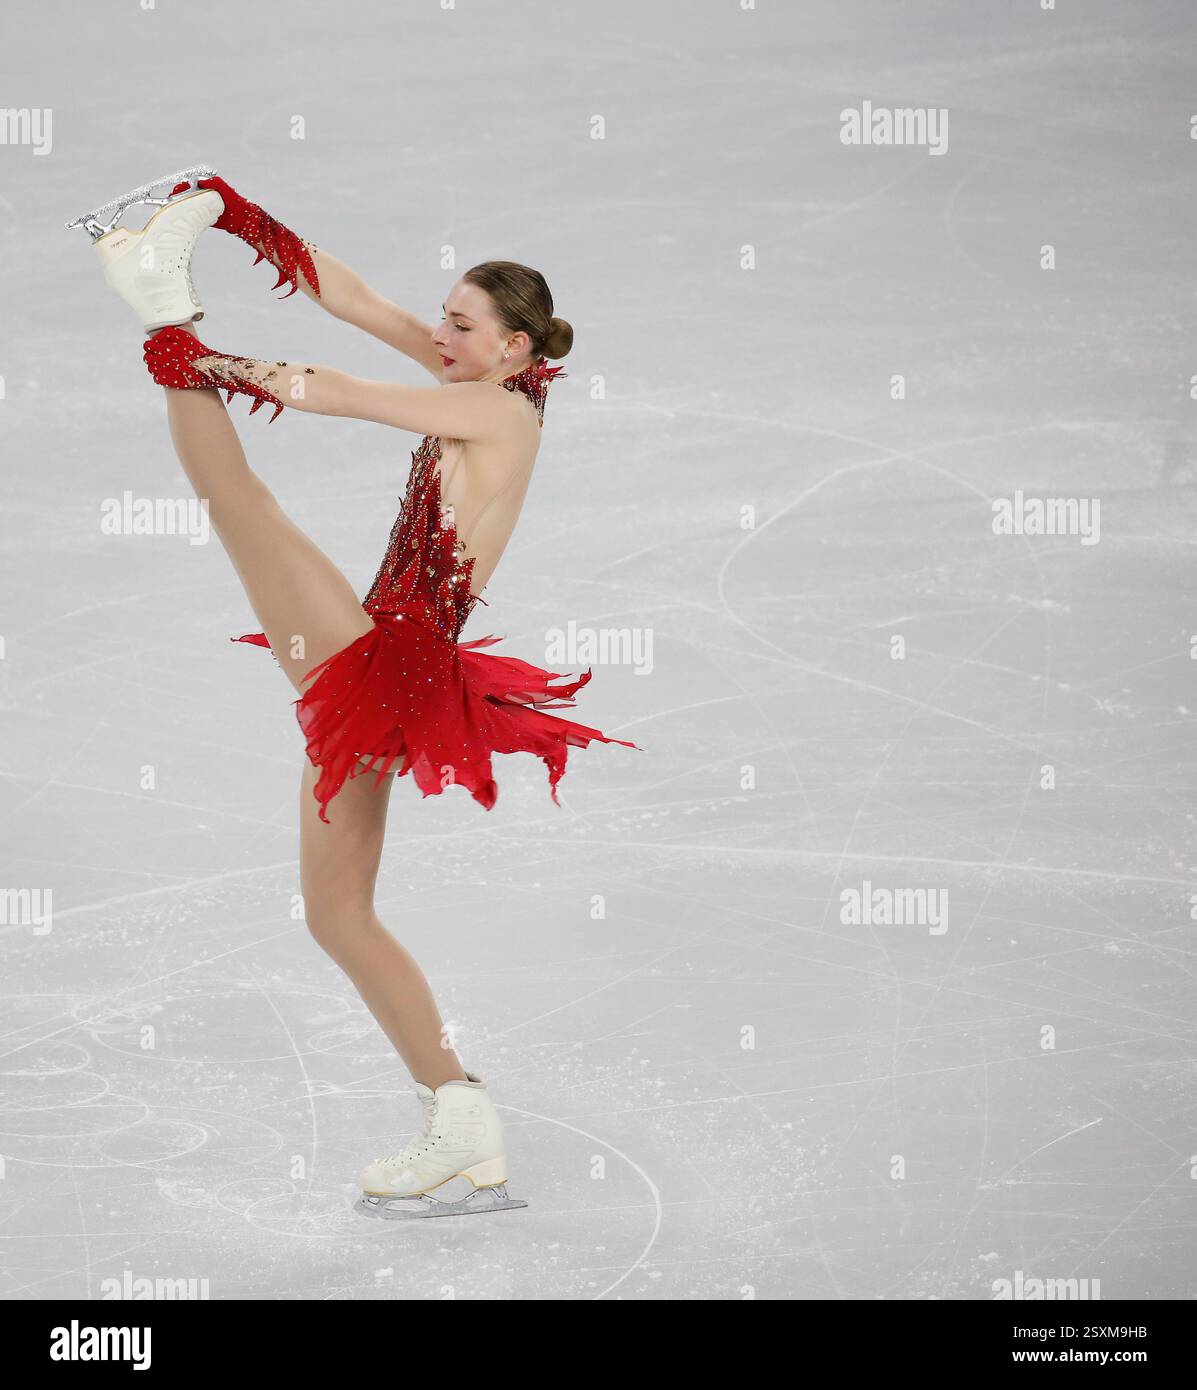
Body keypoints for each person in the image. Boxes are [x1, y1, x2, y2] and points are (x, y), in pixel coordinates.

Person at [69, 168, 640, 1218]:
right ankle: (462, 1119)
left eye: (461, 323)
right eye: (448, 316)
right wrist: (243, 216)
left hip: (393, 656)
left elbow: (339, 388)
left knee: (238, 498)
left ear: (513, 347)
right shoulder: (476, 379)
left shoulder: (498, 416)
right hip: (393, 662)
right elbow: (356, 301)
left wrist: (198, 358)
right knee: (337, 913)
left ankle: (159, 305)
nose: (440, 330)